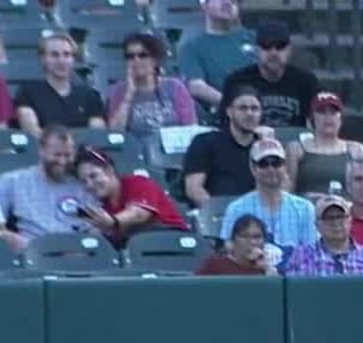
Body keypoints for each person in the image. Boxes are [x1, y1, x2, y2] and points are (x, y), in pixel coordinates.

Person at [0, 126, 91, 251]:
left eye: (67, 155)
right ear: (41, 151)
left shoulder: (83, 184)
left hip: (75, 251)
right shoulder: (13, 182)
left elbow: (93, 228)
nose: (62, 161)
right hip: (31, 251)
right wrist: (6, 236)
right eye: (57, 155)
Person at [73, 146, 190, 248]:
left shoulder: (137, 182)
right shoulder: (100, 206)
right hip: (138, 251)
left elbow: (139, 214)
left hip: (171, 240)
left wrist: (113, 221)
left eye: (93, 176)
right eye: (84, 181)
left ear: (109, 171)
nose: (89, 185)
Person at [107, 33, 199, 161]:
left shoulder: (175, 87)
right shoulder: (119, 91)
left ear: (155, 60)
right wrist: (129, 94)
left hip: (175, 155)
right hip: (138, 157)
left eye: (142, 55)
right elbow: (115, 134)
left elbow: (190, 129)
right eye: (130, 56)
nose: (136, 61)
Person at [220, 137, 318, 255]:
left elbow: (311, 251)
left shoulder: (305, 208)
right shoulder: (236, 209)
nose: (271, 169)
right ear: (253, 168)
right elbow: (230, 250)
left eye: (276, 163)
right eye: (263, 164)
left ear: (285, 166)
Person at [221, 19, 320, 128]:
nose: (273, 53)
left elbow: (318, 122)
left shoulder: (306, 82)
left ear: (289, 50)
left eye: (280, 46)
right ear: (257, 50)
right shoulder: (237, 82)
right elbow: (225, 124)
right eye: (266, 46)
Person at [13, 33, 106, 137]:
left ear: (73, 59)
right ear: (43, 59)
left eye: (67, 55)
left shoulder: (90, 95)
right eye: (54, 55)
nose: (61, 61)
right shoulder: (27, 93)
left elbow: (97, 134)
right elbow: (32, 131)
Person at [183, 87, 263, 206]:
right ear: (229, 112)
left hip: (258, 211)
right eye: (243, 108)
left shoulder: (266, 144)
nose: (249, 113)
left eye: (255, 109)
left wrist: (267, 145)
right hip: (217, 211)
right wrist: (220, 210)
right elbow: (194, 190)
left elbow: (282, 187)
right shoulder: (205, 142)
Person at [282, 194, 363, 276]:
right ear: (317, 225)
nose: (336, 223)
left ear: (350, 220)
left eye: (340, 217)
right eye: (328, 218)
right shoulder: (300, 257)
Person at [178, 0, 258, 113]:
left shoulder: (255, 39)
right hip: (221, 115)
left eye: (233, 1)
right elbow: (196, 87)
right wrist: (233, 105)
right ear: (205, 5)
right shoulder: (192, 46)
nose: (228, 3)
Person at [285, 92, 363, 196]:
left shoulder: (356, 150)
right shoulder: (296, 149)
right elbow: (287, 190)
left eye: (333, 112)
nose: (328, 117)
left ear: (341, 118)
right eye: (322, 112)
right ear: (312, 118)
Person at [195, 213, 277, 275]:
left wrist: (267, 269)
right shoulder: (215, 265)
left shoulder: (266, 269)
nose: (252, 242)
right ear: (233, 241)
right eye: (244, 236)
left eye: (257, 237)